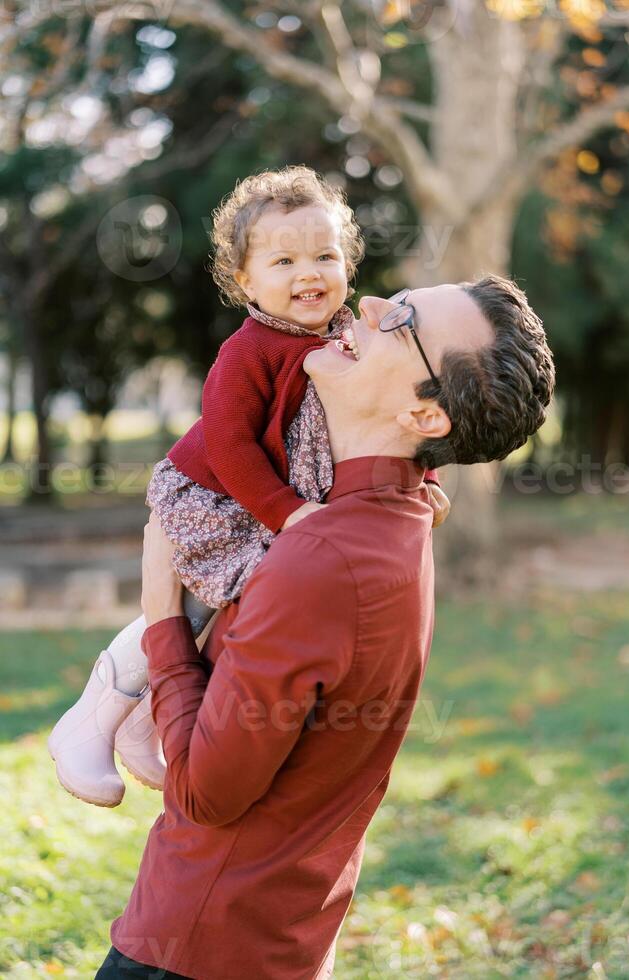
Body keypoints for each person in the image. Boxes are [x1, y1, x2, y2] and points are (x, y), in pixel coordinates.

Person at [96, 274, 555, 978]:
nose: (368, 304)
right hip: (278, 939)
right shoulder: (396, 520)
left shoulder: (324, 555)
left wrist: (161, 612)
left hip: (194, 944)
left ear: (425, 417)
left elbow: (204, 794)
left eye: (401, 319)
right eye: (395, 294)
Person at [47, 167, 446, 808]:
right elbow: (231, 445)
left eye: (324, 255)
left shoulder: (350, 336)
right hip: (220, 493)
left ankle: (151, 722)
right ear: (245, 282)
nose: (308, 274)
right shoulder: (250, 351)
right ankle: (92, 717)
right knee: (196, 607)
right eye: (283, 261)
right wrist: (285, 513)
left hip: (276, 504)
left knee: (238, 619)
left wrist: (421, 478)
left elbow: (373, 417)